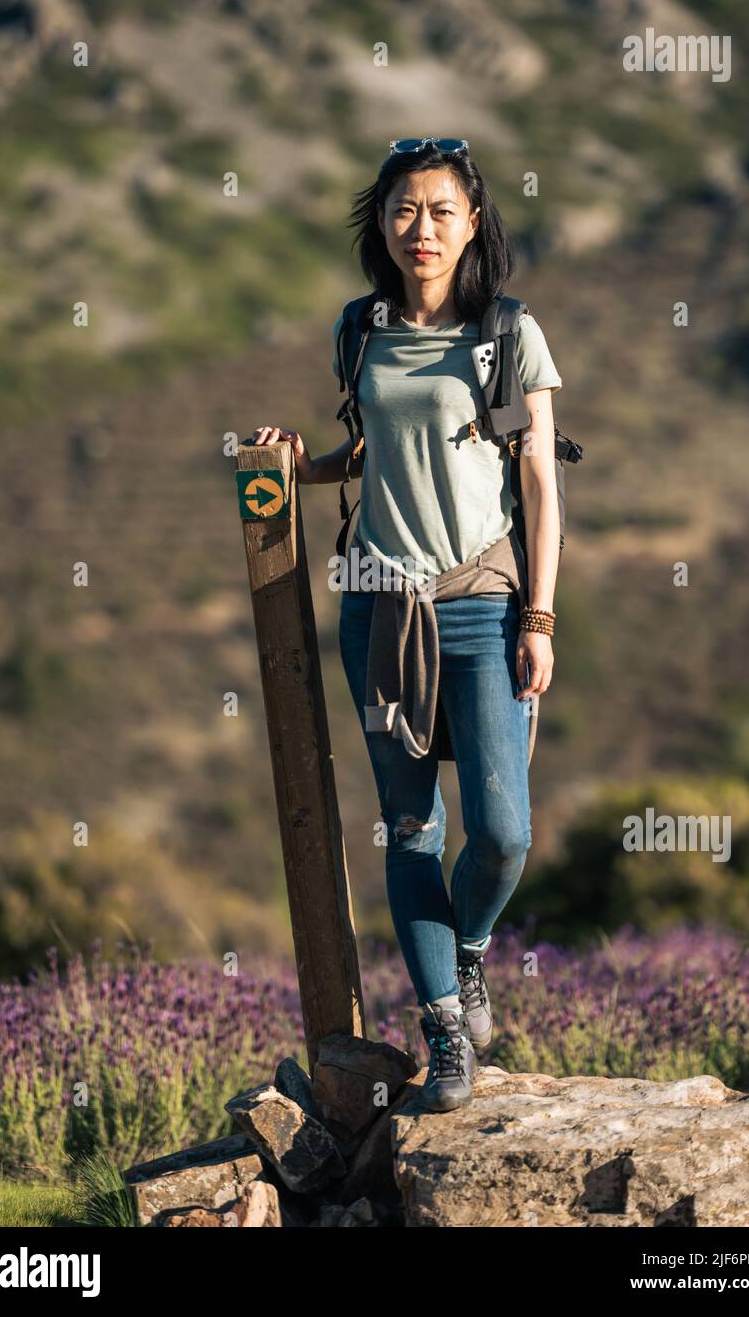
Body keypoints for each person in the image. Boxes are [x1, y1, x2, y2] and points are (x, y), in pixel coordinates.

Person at [251, 137, 562, 1111]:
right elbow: (375, 444)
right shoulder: (361, 328)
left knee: (503, 833)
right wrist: (305, 466)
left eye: (437, 210)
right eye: (400, 209)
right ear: (378, 222)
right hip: (379, 601)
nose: (417, 228)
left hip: (482, 602)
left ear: (470, 222)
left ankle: (467, 950)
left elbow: (539, 486)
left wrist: (539, 617)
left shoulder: (505, 334)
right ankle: (441, 1027)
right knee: (410, 824)